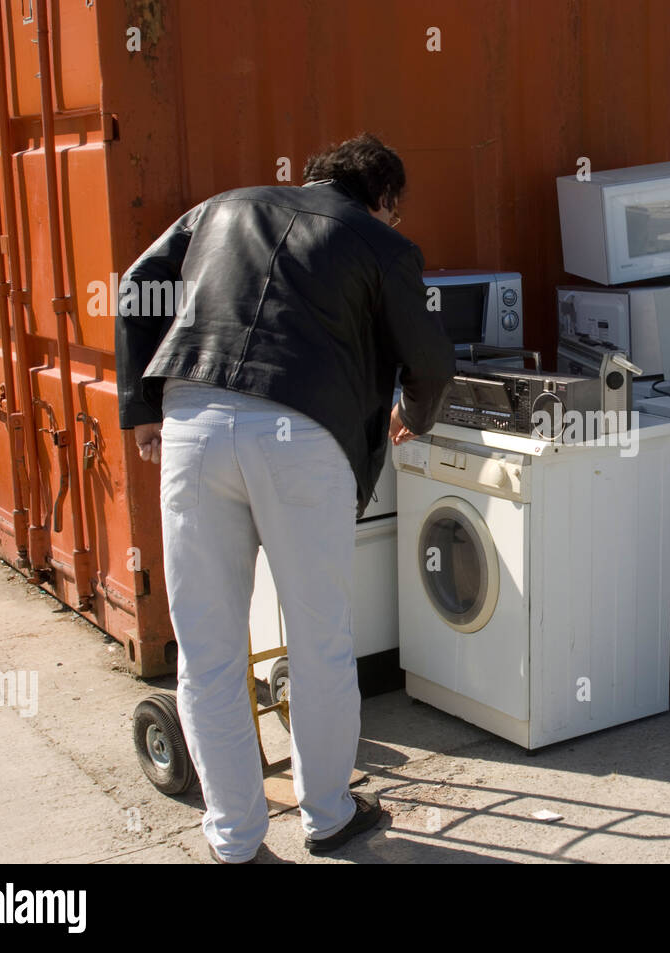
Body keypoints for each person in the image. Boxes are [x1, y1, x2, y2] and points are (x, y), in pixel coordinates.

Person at [116, 134, 455, 862]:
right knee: (320, 642)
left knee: (206, 649)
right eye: (394, 210)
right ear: (385, 199)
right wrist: (413, 415)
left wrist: (137, 407)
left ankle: (234, 838)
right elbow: (430, 358)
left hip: (194, 421)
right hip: (302, 435)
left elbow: (138, 283)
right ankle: (328, 816)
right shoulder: (379, 242)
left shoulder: (221, 208)